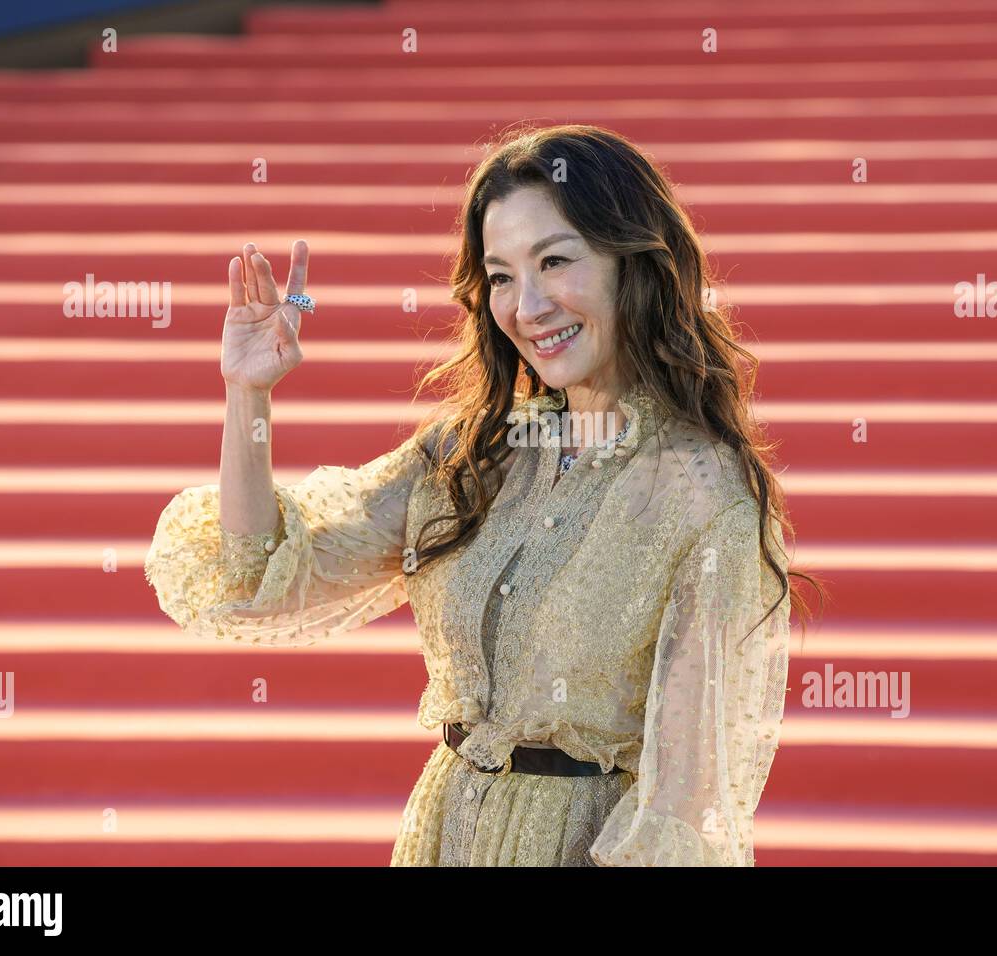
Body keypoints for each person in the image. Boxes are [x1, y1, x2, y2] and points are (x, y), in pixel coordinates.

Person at [144, 124, 820, 866]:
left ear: (635, 264)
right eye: (500, 276)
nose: (526, 306)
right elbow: (258, 574)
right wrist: (248, 395)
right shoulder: (475, 453)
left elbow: (683, 806)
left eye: (555, 262)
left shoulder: (703, 496)